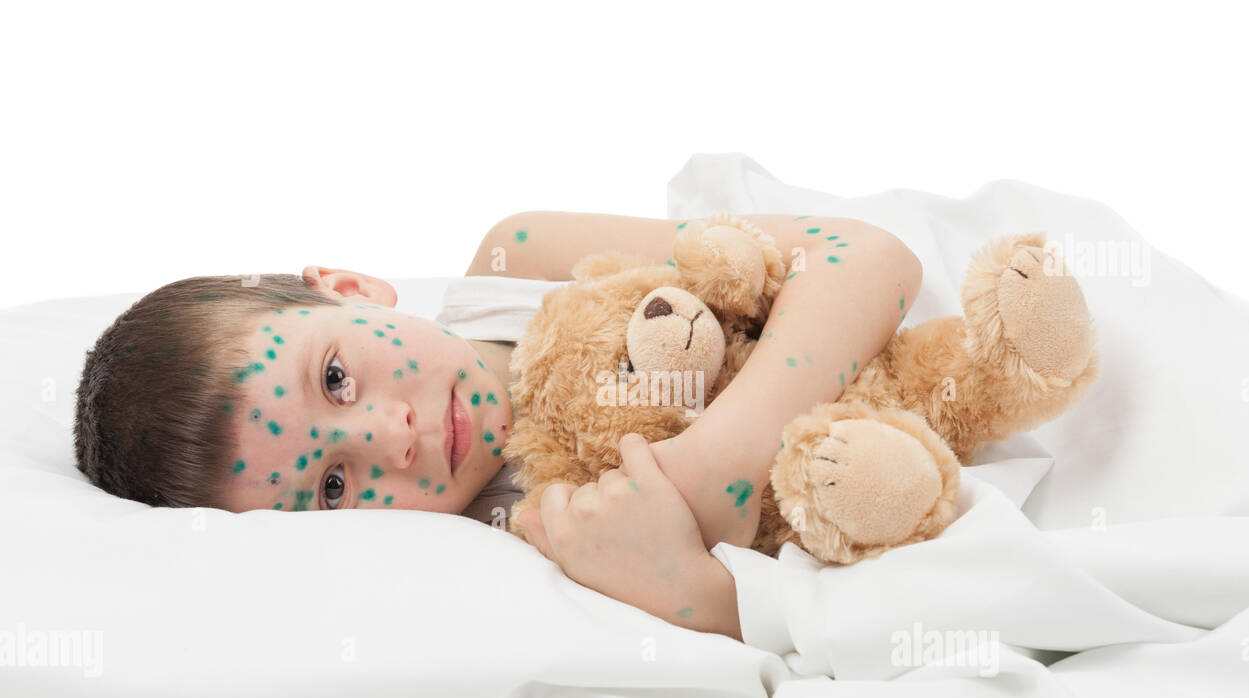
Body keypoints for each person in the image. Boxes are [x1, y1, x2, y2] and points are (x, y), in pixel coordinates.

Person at [74, 211, 921, 640]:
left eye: (335, 378)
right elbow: (786, 626)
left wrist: (720, 463)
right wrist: (693, 595)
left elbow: (867, 258)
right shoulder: (517, 549)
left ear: (351, 288)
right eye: (332, 487)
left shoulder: (520, 260)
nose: (391, 437)